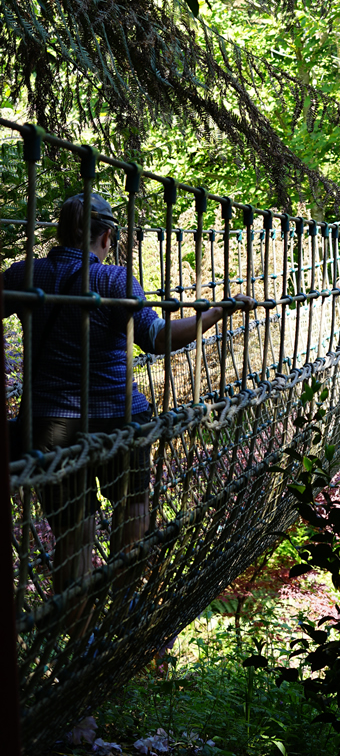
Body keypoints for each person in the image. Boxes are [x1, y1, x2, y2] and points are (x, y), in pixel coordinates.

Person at [3, 191, 254, 624]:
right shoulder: (116, 281)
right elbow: (158, 340)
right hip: (120, 418)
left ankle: (78, 634)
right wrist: (214, 313)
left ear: (60, 232)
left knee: (73, 527)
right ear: (108, 236)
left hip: (48, 420)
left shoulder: (25, 273)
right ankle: (121, 607)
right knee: (133, 503)